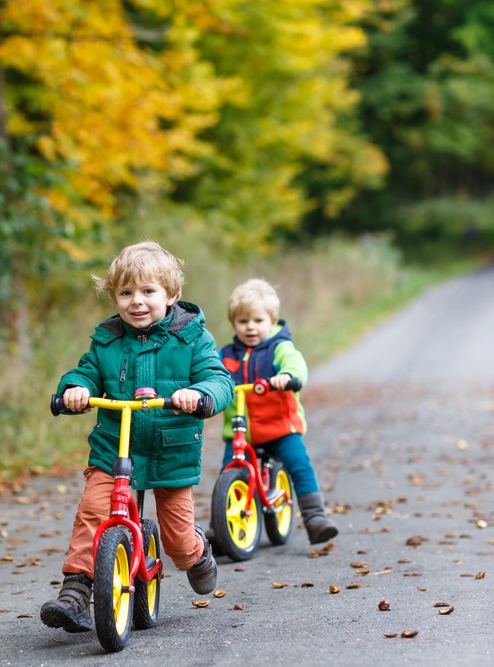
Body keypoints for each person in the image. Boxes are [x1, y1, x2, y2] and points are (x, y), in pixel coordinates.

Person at [41, 241, 235, 634]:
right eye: (126, 293)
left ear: (172, 295)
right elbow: (86, 372)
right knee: (95, 513)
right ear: (115, 298)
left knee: (177, 544)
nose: (137, 302)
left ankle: (197, 552)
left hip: (171, 451)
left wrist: (200, 395)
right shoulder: (107, 340)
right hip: (115, 449)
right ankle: (76, 592)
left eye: (148, 292)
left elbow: (220, 380)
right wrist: (75, 389)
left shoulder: (191, 337)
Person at [218, 278, 338, 545]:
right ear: (233, 323)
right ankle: (223, 523)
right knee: (228, 471)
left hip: (280, 428)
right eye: (243, 321)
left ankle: (315, 517)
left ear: (272, 322)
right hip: (242, 433)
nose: (250, 327)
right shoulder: (225, 355)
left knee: (299, 464)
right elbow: (208, 371)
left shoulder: (279, 347)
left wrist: (287, 376)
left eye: (258, 321)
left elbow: (295, 364)